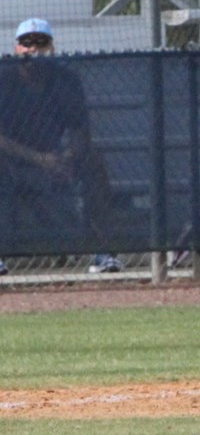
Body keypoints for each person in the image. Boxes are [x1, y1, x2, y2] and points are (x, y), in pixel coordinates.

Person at [0, 19, 124, 275]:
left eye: (41, 42)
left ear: (52, 47)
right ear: (17, 48)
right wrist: (39, 159)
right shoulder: (3, 78)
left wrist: (67, 157)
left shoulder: (66, 79)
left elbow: (80, 130)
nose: (34, 49)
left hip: (55, 159)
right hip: (12, 159)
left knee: (94, 162)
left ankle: (102, 253)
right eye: (27, 43)